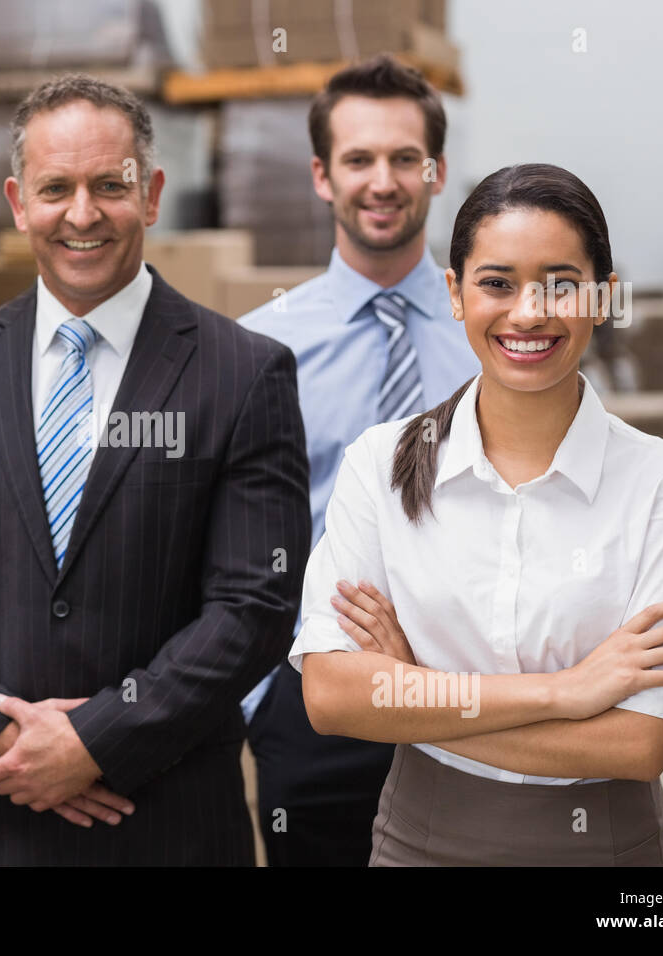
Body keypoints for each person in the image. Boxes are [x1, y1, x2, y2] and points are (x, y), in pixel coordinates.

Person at [0, 73, 311, 866]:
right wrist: (3, 738)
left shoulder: (243, 372)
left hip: (168, 818)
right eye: (55, 188)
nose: (82, 214)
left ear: (152, 193)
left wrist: (96, 740)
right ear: (16, 201)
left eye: (110, 185)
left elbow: (256, 604)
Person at [293, 163, 663, 866]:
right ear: (454, 293)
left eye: (560, 283)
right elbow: (333, 697)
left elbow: (638, 745)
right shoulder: (379, 464)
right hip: (417, 842)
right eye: (497, 283)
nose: (528, 312)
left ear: (604, 298)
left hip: (604, 847)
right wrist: (567, 690)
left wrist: (413, 690)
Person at [239, 55, 478, 866]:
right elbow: (227, 534)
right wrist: (255, 697)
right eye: (359, 159)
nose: (384, 181)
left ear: (437, 171)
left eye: (405, 158)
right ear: (320, 175)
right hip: (314, 698)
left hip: (470, 691)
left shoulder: (496, 339)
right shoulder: (260, 347)